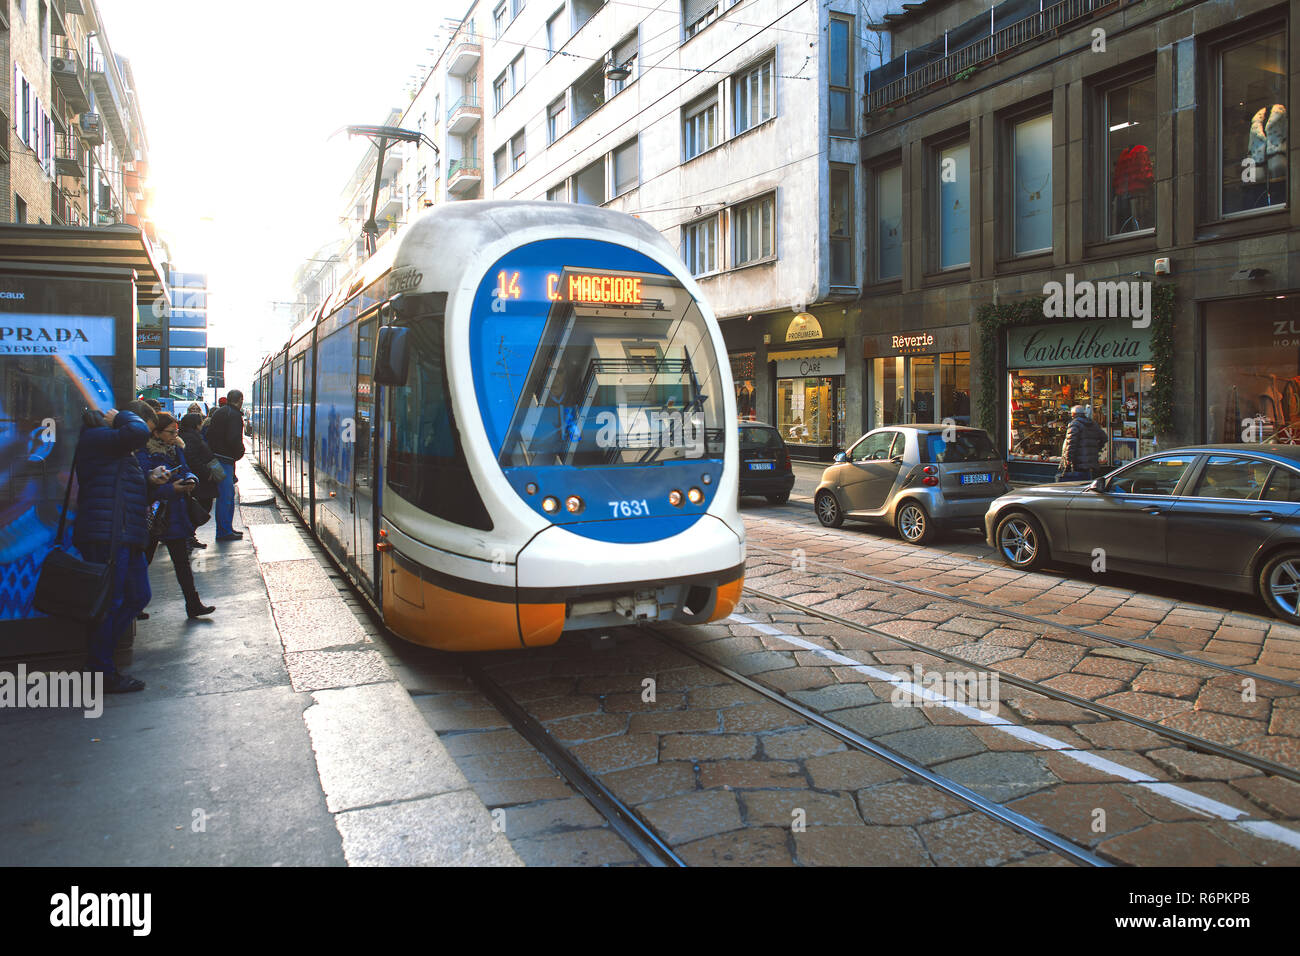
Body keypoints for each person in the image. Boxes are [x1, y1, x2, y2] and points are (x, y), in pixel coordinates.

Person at [73, 401, 157, 693]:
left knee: (137, 596)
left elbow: (129, 488)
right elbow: (135, 431)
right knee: (112, 602)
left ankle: (101, 660)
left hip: (124, 535)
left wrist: (153, 481)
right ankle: (100, 669)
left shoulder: (113, 448)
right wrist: (123, 416)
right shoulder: (97, 438)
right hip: (108, 535)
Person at [136, 413, 216, 619]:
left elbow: (187, 470)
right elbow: (145, 488)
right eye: (171, 432)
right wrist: (172, 489)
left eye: (176, 431)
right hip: (154, 514)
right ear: (156, 433)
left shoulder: (176, 449)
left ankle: (193, 604)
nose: (175, 435)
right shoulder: (143, 453)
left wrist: (191, 480)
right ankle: (134, 604)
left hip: (175, 514)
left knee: (181, 563)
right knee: (144, 559)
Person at [207, 389, 246, 541]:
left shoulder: (220, 412)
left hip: (218, 457)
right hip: (225, 460)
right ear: (240, 400)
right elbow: (233, 438)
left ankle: (226, 529)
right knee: (226, 496)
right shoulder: (234, 415)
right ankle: (224, 531)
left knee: (225, 496)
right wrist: (239, 452)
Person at [178, 412, 217, 548]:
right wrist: (207, 472)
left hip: (199, 479)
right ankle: (188, 537)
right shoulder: (191, 438)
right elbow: (192, 459)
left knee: (199, 508)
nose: (202, 424)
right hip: (199, 481)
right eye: (200, 422)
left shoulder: (190, 436)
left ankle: (189, 537)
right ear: (196, 424)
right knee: (199, 508)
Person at [1058, 405, 1108, 482]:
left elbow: (1071, 444)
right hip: (1091, 463)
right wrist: (1095, 449)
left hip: (1078, 462)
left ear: (1073, 414)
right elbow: (1104, 438)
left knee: (1076, 484)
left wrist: (1068, 460)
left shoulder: (1074, 424)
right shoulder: (1093, 424)